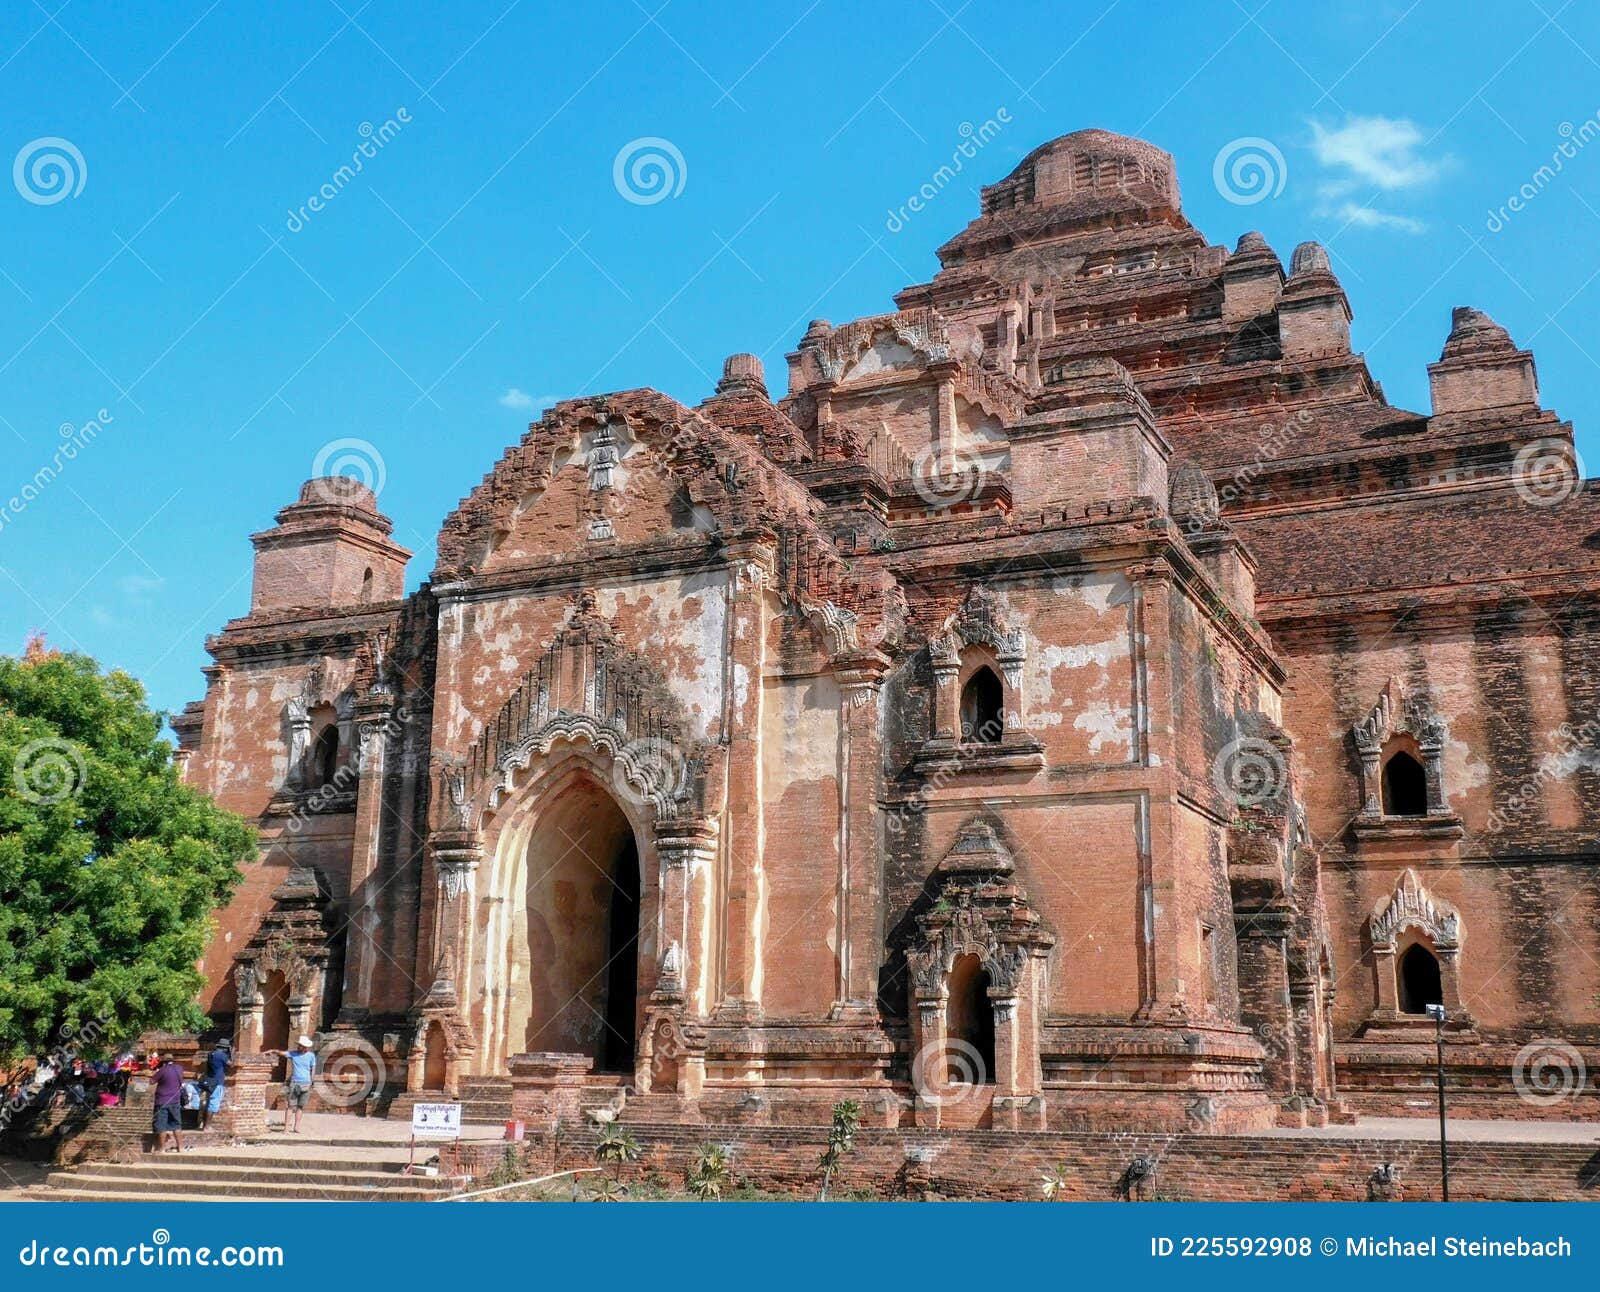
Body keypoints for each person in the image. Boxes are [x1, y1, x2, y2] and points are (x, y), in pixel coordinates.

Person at [268, 1036, 317, 1133]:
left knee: (301, 1106)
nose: (299, 1046)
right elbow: (281, 1053)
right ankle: (286, 1128)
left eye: (300, 1045)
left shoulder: (311, 1056)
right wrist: (273, 1050)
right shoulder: (293, 1054)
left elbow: (313, 1069)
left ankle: (296, 1127)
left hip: (306, 1083)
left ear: (305, 1047)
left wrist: (311, 1082)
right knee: (290, 1106)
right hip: (295, 1083)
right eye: (299, 1045)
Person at [151, 1054, 185, 1153]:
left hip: (162, 1101)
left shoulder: (163, 1070)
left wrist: (156, 1072)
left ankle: (162, 1149)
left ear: (164, 1062)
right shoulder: (179, 1069)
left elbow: (151, 1081)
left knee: (161, 1125)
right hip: (175, 1101)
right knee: (176, 1125)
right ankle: (180, 1147)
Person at [198, 1038, 232, 1131]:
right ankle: (207, 1126)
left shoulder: (211, 1054)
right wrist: (231, 1054)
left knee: (209, 1103)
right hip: (217, 1082)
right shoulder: (222, 1055)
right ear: (225, 1048)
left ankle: (204, 1124)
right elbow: (230, 1064)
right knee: (213, 1104)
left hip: (210, 1082)